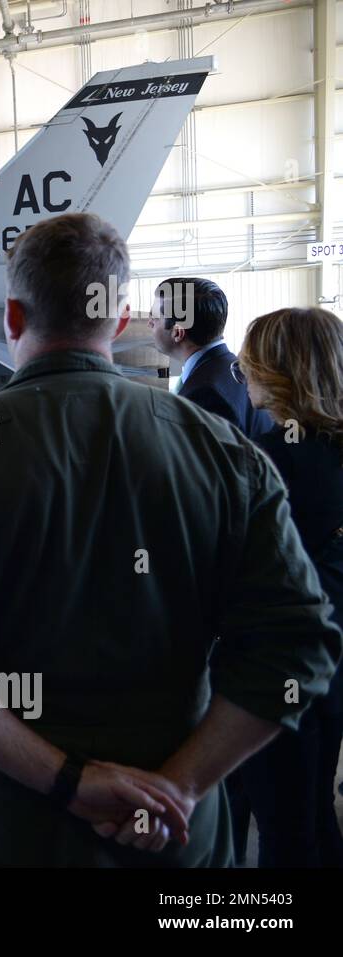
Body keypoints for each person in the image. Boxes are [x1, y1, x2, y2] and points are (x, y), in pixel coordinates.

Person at [0, 213, 343, 866]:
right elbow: (297, 646)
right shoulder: (224, 452)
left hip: (4, 833)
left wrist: (71, 781)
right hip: (172, 834)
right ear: (119, 319)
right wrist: (181, 783)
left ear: (12, 316)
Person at [150, 277, 270, 862]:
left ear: (176, 329)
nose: (146, 324)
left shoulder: (206, 393)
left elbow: (209, 510)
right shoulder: (225, 373)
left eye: (154, 316)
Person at [236, 307, 343, 867]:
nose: (240, 367)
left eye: (249, 359)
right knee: (314, 811)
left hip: (276, 676)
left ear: (276, 371)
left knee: (284, 831)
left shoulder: (262, 465)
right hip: (333, 671)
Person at [150, 277, 273, 436]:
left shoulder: (205, 394)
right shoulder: (237, 369)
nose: (150, 323)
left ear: (178, 332)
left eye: (154, 317)